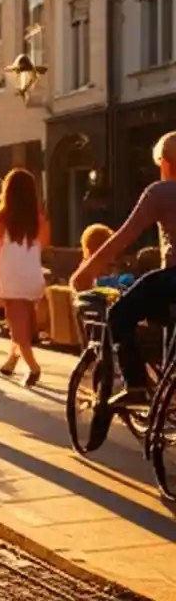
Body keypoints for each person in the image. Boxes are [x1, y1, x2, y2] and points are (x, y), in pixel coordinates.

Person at [71, 131, 176, 409]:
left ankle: (136, 385)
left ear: (165, 163)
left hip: (173, 279)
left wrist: (85, 272)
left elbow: (123, 237)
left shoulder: (160, 192)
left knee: (120, 314)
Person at [0, 168, 48, 388]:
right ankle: (11, 361)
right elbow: (43, 245)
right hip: (33, 277)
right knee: (22, 323)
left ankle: (34, 368)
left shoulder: (0, 220)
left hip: (11, 280)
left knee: (18, 329)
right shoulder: (38, 220)